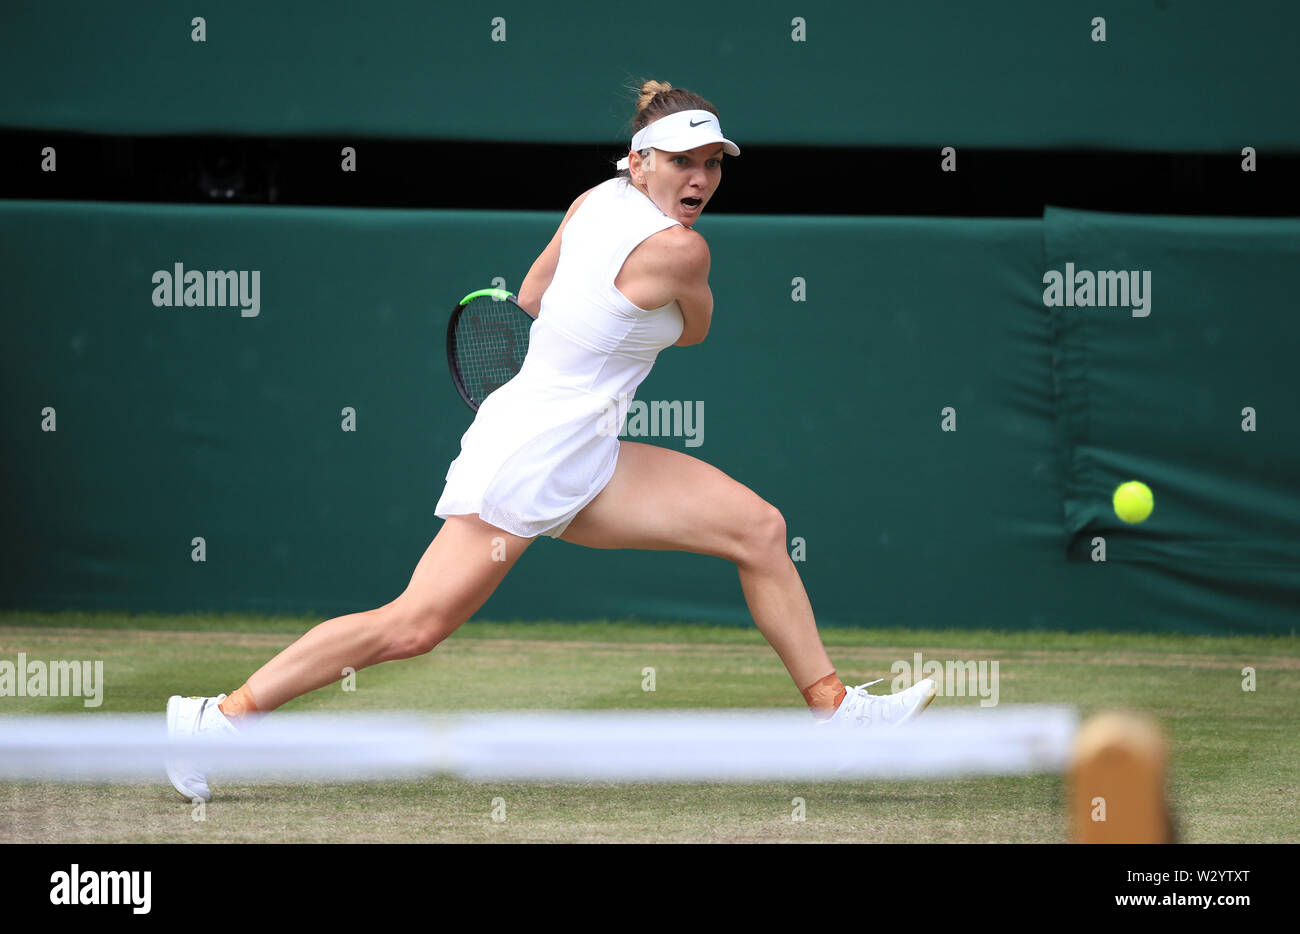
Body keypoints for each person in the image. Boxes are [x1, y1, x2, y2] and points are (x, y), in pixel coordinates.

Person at [166, 80, 936, 803]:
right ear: (640, 161)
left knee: (759, 529)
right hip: (534, 455)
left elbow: (531, 296)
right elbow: (696, 332)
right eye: (681, 162)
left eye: (711, 164)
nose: (700, 178)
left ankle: (835, 715)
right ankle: (218, 721)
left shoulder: (594, 200)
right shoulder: (682, 251)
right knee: (414, 626)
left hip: (587, 450)